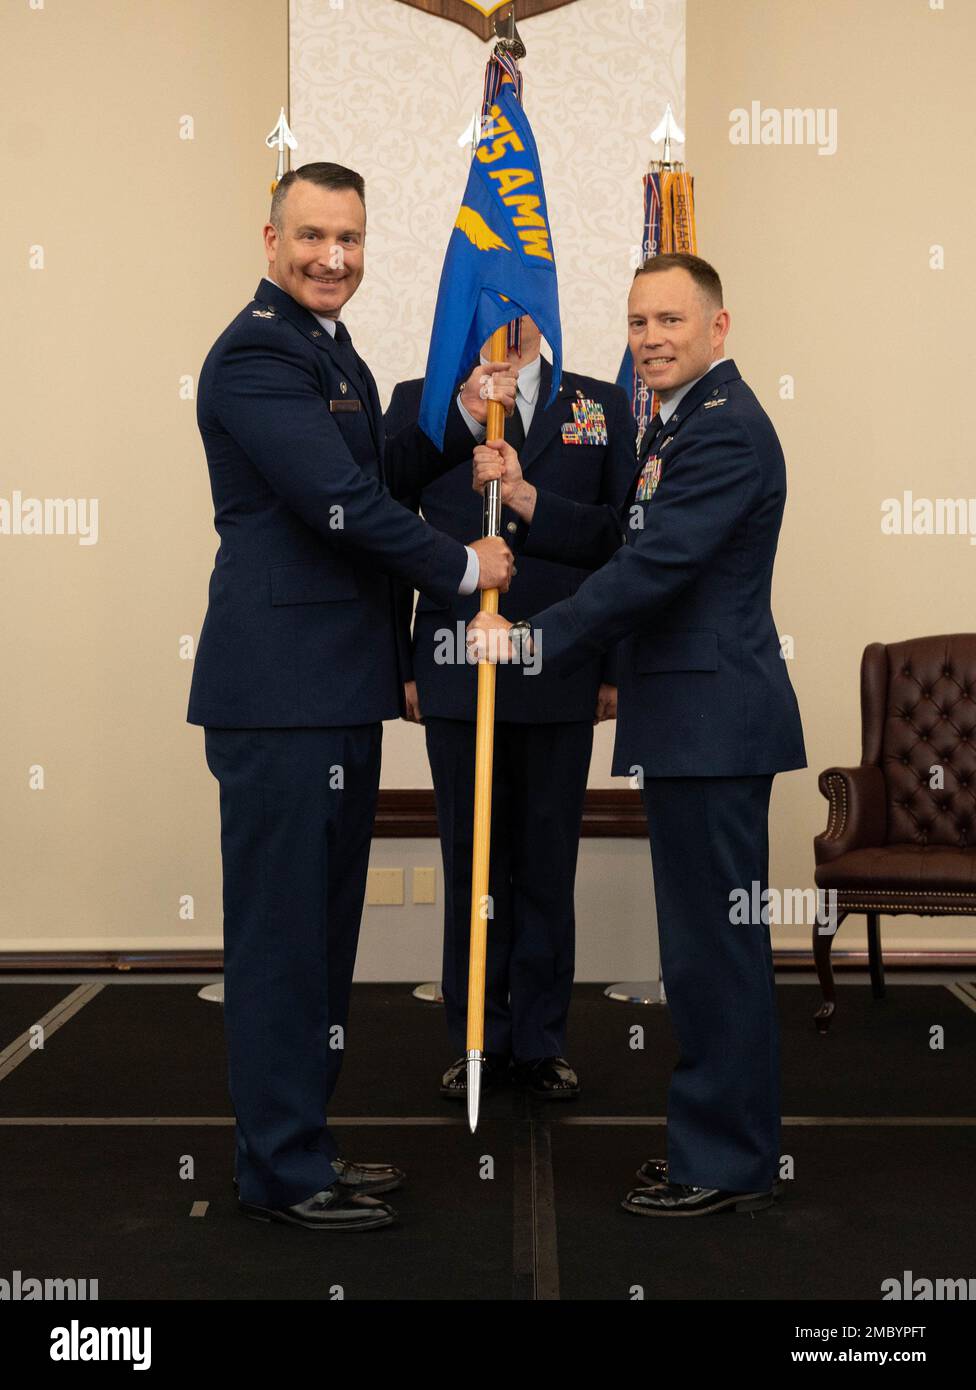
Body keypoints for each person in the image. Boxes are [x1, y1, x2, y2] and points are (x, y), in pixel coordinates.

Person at [188, 161, 516, 1232]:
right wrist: (463, 570)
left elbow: (370, 466)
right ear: (269, 236)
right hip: (280, 691)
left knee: (323, 933)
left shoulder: (324, 347)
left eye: (353, 239)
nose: (336, 257)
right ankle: (280, 1169)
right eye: (315, 236)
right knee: (284, 937)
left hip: (333, 686)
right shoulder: (252, 353)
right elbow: (335, 504)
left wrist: (460, 417)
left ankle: (301, 1146)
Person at [467, 253, 806, 1216]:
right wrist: (531, 502)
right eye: (637, 323)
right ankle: (715, 1144)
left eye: (670, 321)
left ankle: (727, 1162)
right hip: (691, 723)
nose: (651, 339)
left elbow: (651, 571)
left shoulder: (727, 432)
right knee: (700, 951)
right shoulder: (678, 424)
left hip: (716, 725)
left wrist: (528, 641)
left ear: (719, 328)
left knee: (714, 957)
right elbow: (628, 536)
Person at [386, 317, 635, 1102]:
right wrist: (404, 664)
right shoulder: (424, 404)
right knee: (473, 864)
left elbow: (624, 541)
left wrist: (614, 666)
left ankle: (540, 1042)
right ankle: (477, 1041)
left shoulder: (597, 405)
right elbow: (383, 532)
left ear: (540, 307)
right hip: (458, 667)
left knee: (546, 864)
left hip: (561, 666)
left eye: (517, 298)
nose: (503, 315)